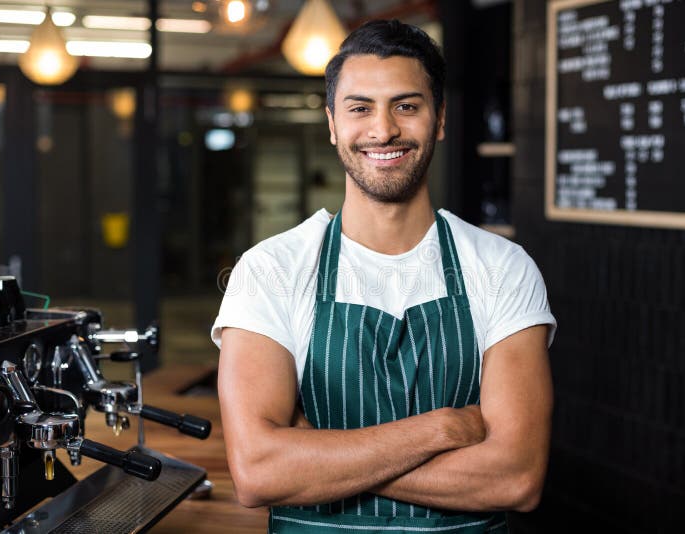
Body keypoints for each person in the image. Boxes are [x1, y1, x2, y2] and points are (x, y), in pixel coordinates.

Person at [213, 19, 556, 534]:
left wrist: (319, 456)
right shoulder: (271, 271)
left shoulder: (503, 268)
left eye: (407, 105)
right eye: (359, 108)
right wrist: (442, 428)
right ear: (332, 124)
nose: (382, 130)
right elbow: (258, 473)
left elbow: (516, 478)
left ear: (439, 119)